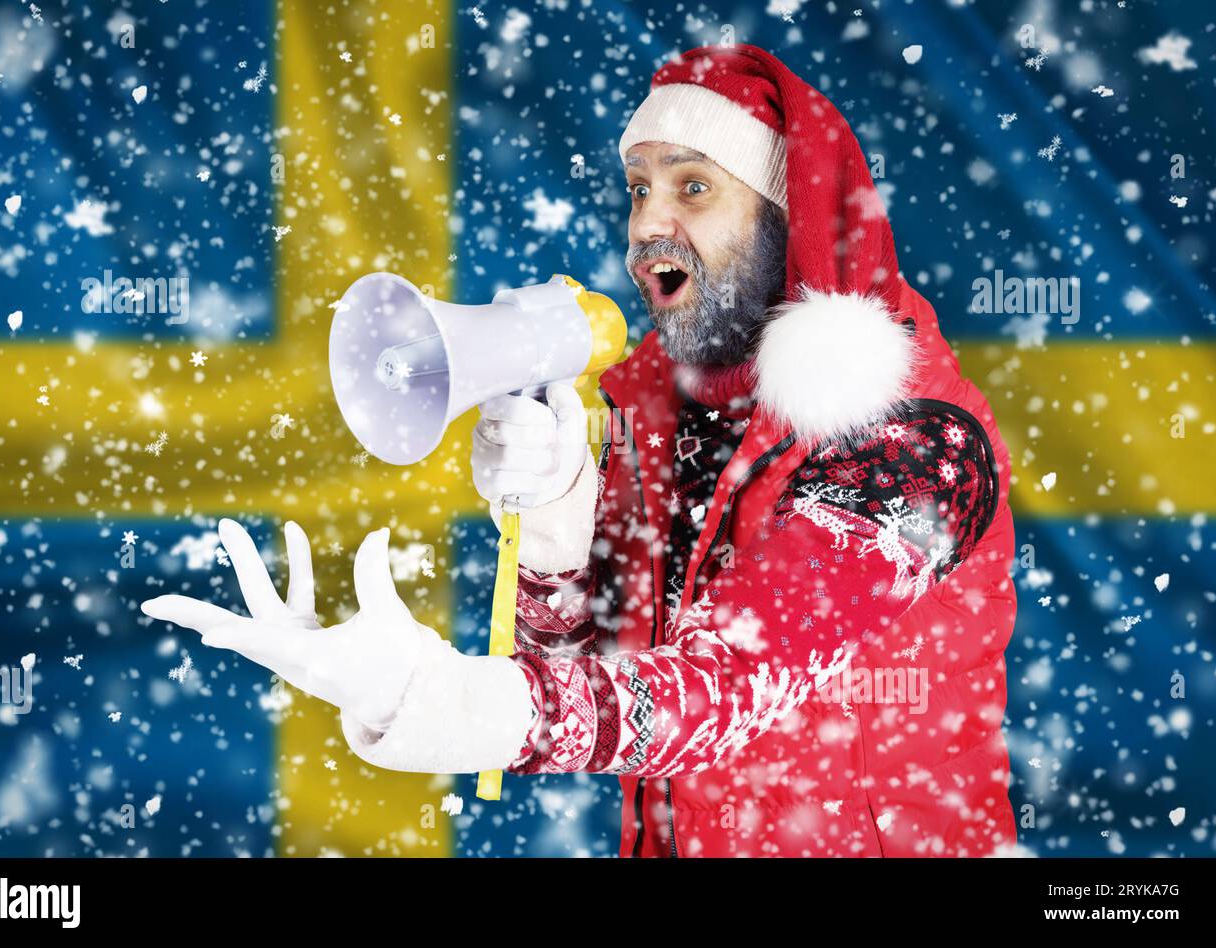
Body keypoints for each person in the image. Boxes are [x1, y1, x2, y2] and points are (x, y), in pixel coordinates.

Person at [143, 44, 1018, 857]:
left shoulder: (922, 447)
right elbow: (577, 682)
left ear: (788, 216)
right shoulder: (658, 416)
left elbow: (728, 689)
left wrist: (447, 701)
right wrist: (560, 527)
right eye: (638, 188)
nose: (647, 227)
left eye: (694, 188)